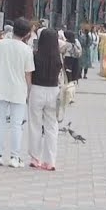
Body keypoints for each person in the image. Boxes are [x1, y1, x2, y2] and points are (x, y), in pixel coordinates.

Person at [0, 18, 35, 168]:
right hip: (19, 90)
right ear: (27, 34)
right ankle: (15, 157)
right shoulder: (27, 50)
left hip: (1, 87)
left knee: (0, 122)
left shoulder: (0, 44)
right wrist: (29, 91)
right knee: (16, 124)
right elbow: (28, 73)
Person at [27, 27, 62, 171]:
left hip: (37, 90)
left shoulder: (35, 56)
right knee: (52, 126)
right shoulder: (58, 58)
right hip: (53, 91)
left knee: (35, 125)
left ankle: (35, 158)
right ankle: (50, 161)